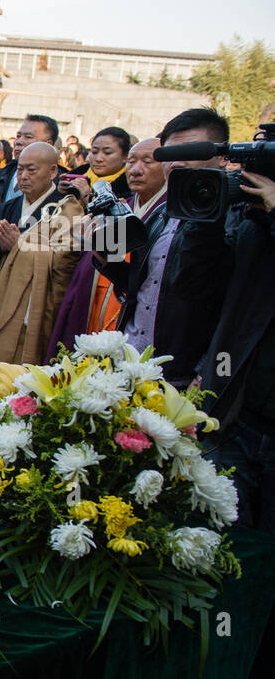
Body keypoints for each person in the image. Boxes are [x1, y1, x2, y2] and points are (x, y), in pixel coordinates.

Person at [94, 108, 233, 386]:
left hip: (182, 376)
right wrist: (105, 257)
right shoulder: (161, 213)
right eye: (169, 155)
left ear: (222, 157)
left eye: (189, 152)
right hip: (131, 361)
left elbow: (235, 307)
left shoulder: (238, 216)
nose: (176, 163)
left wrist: (209, 369)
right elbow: (146, 285)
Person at [200, 160, 275, 532]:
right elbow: (201, 289)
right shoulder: (248, 219)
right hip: (234, 402)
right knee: (229, 537)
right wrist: (206, 221)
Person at [49, 137, 166, 356]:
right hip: (97, 303)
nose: (136, 170)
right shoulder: (121, 206)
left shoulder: (168, 214)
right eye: (131, 162)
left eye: (147, 162)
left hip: (134, 318)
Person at [0, 143, 85, 366]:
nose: (23, 176)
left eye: (31, 170)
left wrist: (20, 246)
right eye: (20, 169)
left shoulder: (66, 209)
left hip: (34, 307)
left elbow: (65, 259)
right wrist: (1, 246)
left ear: (54, 171)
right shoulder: (9, 207)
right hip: (1, 299)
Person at [0, 114, 64, 201]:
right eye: (18, 136)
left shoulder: (61, 185)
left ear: (48, 144)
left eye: (28, 137)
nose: (18, 142)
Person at [63, 126, 133, 201]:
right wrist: (61, 193)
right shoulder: (78, 174)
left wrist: (87, 199)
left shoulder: (132, 189)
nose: (98, 159)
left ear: (125, 156)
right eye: (94, 152)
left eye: (107, 153)